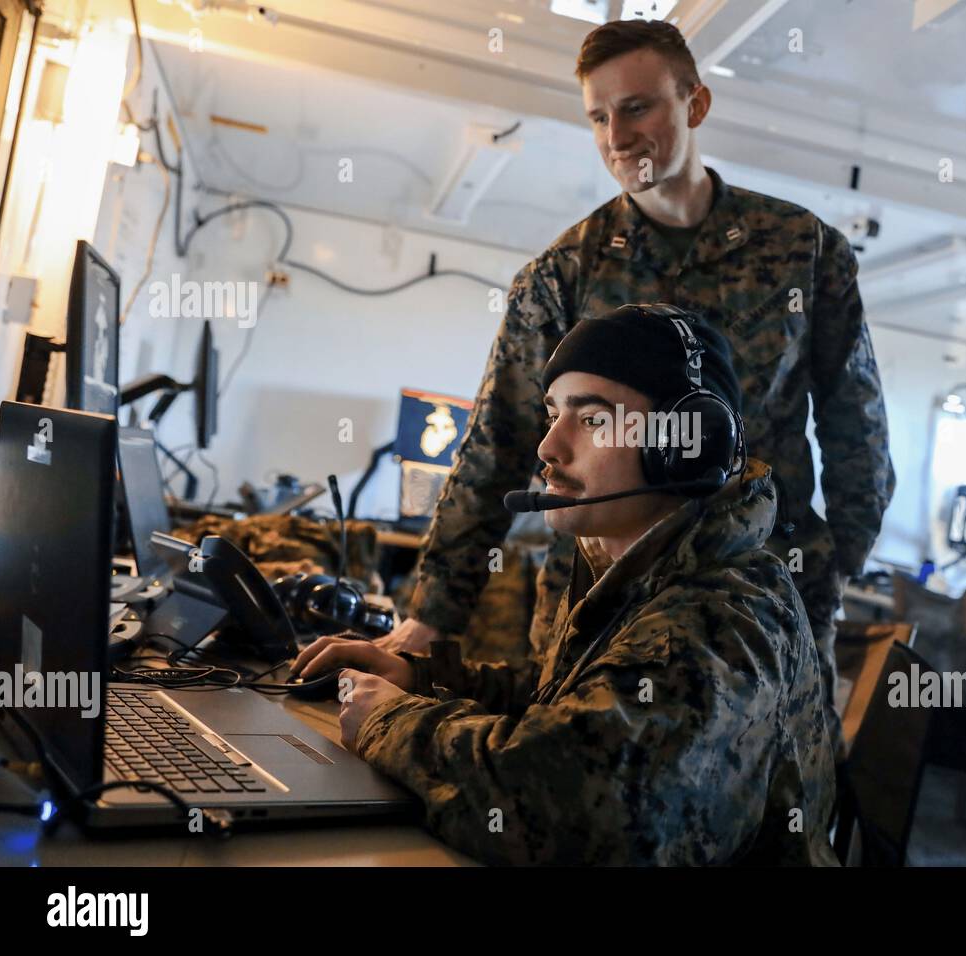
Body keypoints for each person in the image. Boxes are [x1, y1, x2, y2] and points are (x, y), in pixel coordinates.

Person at [380, 19, 895, 757]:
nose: (617, 136)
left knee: (768, 795)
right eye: (598, 116)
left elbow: (857, 432)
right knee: (575, 784)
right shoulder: (564, 273)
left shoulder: (803, 252)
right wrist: (431, 615)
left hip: (756, 595)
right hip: (597, 597)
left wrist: (828, 567)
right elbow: (496, 445)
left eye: (638, 107)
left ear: (696, 104)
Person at [294, 306, 838, 865]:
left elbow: (576, 809)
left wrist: (390, 720)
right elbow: (573, 708)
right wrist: (419, 675)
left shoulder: (723, 616)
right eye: (553, 413)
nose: (548, 448)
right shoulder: (642, 569)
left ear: (687, 447)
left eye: (593, 419)